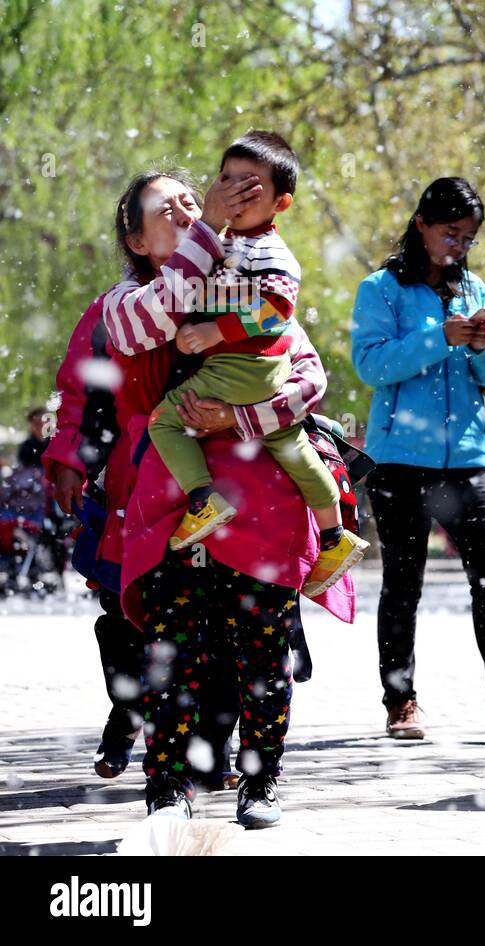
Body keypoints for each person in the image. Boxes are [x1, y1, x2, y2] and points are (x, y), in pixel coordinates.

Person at [101, 167, 357, 826]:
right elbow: (147, 326)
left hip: (264, 507)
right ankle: (165, 789)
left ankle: (262, 778)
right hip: (173, 508)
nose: (190, 210)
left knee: (262, 648)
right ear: (136, 241)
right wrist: (210, 228)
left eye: (195, 198)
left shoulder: (248, 289)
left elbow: (307, 380)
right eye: (170, 209)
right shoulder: (125, 305)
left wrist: (238, 421)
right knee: (173, 650)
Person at [351, 176, 485, 740]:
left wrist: (484, 344)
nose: (458, 246)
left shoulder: (474, 288)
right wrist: (439, 337)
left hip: (468, 458)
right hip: (399, 462)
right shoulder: (380, 289)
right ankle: (401, 701)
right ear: (421, 224)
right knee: (402, 584)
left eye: (467, 237)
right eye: (450, 233)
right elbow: (371, 366)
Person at [142, 131, 367, 596]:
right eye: (227, 181)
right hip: (267, 375)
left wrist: (212, 332)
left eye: (251, 187)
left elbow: (276, 309)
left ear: (281, 204)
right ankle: (333, 535)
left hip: (240, 367)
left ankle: (203, 499)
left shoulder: (268, 251)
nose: (235, 194)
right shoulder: (232, 243)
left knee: (163, 421)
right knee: (296, 452)